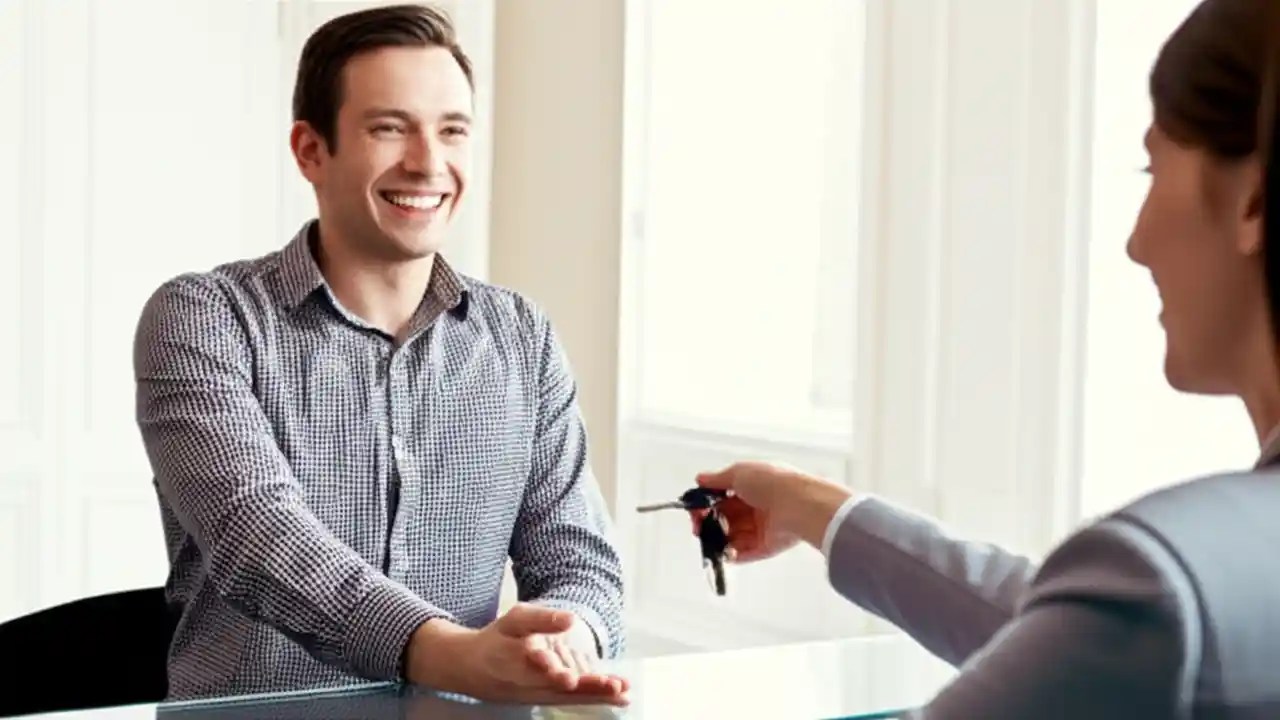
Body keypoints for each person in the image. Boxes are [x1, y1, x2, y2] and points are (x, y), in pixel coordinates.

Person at [691, 0, 1280, 716]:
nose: (1135, 242)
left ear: (1252, 201)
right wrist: (816, 510)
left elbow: (1115, 637)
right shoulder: (1172, 597)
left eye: (1150, 168)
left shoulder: (1164, 587)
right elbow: (1064, 643)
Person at [132, 4, 628, 707]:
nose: (428, 163)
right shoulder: (205, 319)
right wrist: (448, 655)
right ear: (311, 150)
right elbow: (258, 536)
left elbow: (581, 561)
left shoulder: (523, 337)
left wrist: (562, 639)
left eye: (452, 130)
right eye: (390, 128)